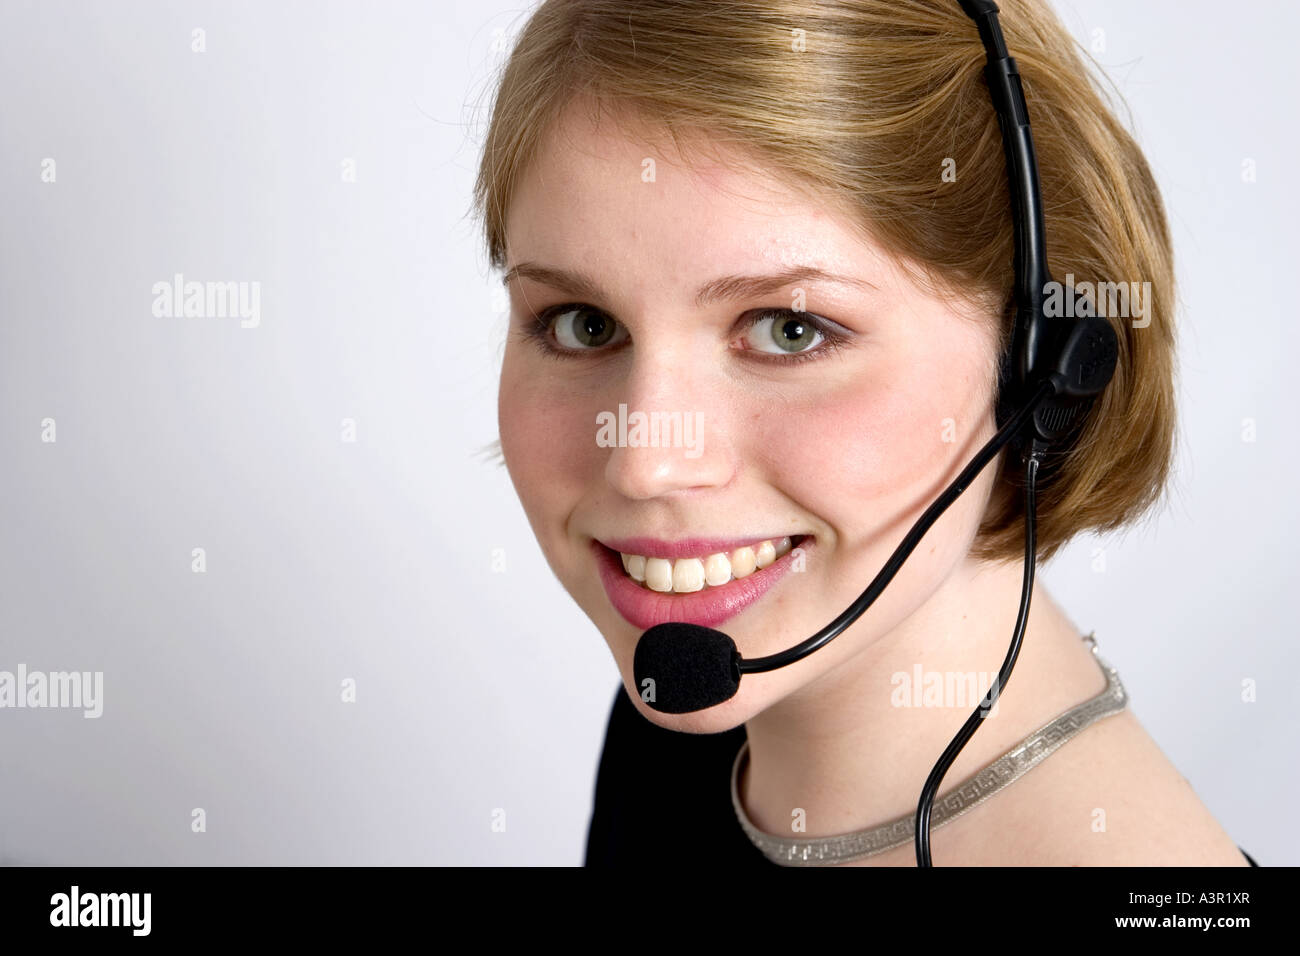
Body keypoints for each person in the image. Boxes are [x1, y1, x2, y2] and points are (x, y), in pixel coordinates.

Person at [472, 0, 1254, 865]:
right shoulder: (687, 710)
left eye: (789, 330)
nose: (646, 463)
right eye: (583, 323)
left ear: (1039, 366)